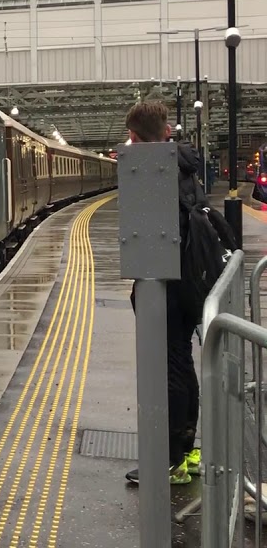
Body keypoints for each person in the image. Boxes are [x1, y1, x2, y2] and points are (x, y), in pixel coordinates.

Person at [123, 100, 204, 486]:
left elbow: (143, 237)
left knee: (169, 370)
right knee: (182, 365)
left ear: (134, 137)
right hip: (190, 282)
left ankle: (169, 463)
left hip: (168, 287)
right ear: (167, 131)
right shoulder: (185, 166)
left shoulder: (152, 170)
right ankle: (187, 453)